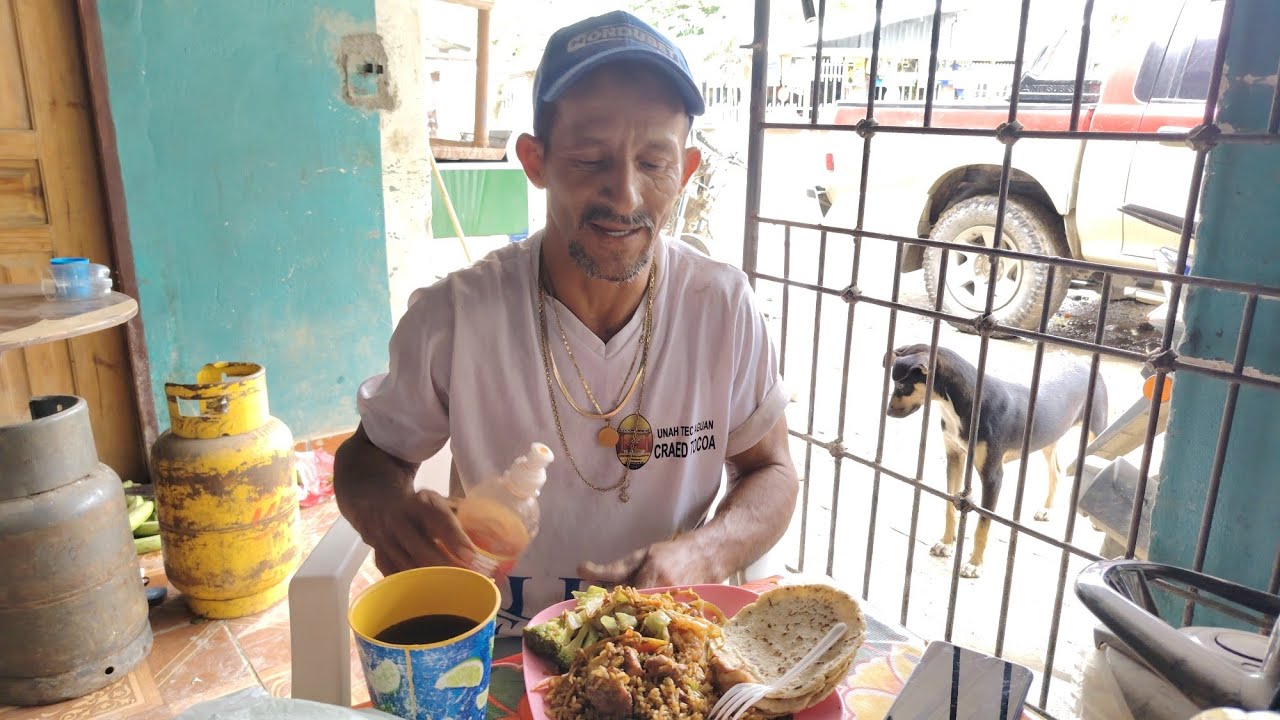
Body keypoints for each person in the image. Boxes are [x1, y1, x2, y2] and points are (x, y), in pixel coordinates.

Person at [334, 10, 799, 636]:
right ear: (536, 160)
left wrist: (706, 552)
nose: (625, 196)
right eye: (588, 158)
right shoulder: (457, 317)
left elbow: (772, 471)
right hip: (500, 641)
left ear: (685, 171)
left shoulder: (721, 308)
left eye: (654, 162)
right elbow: (368, 459)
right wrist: (389, 513)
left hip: (662, 644)